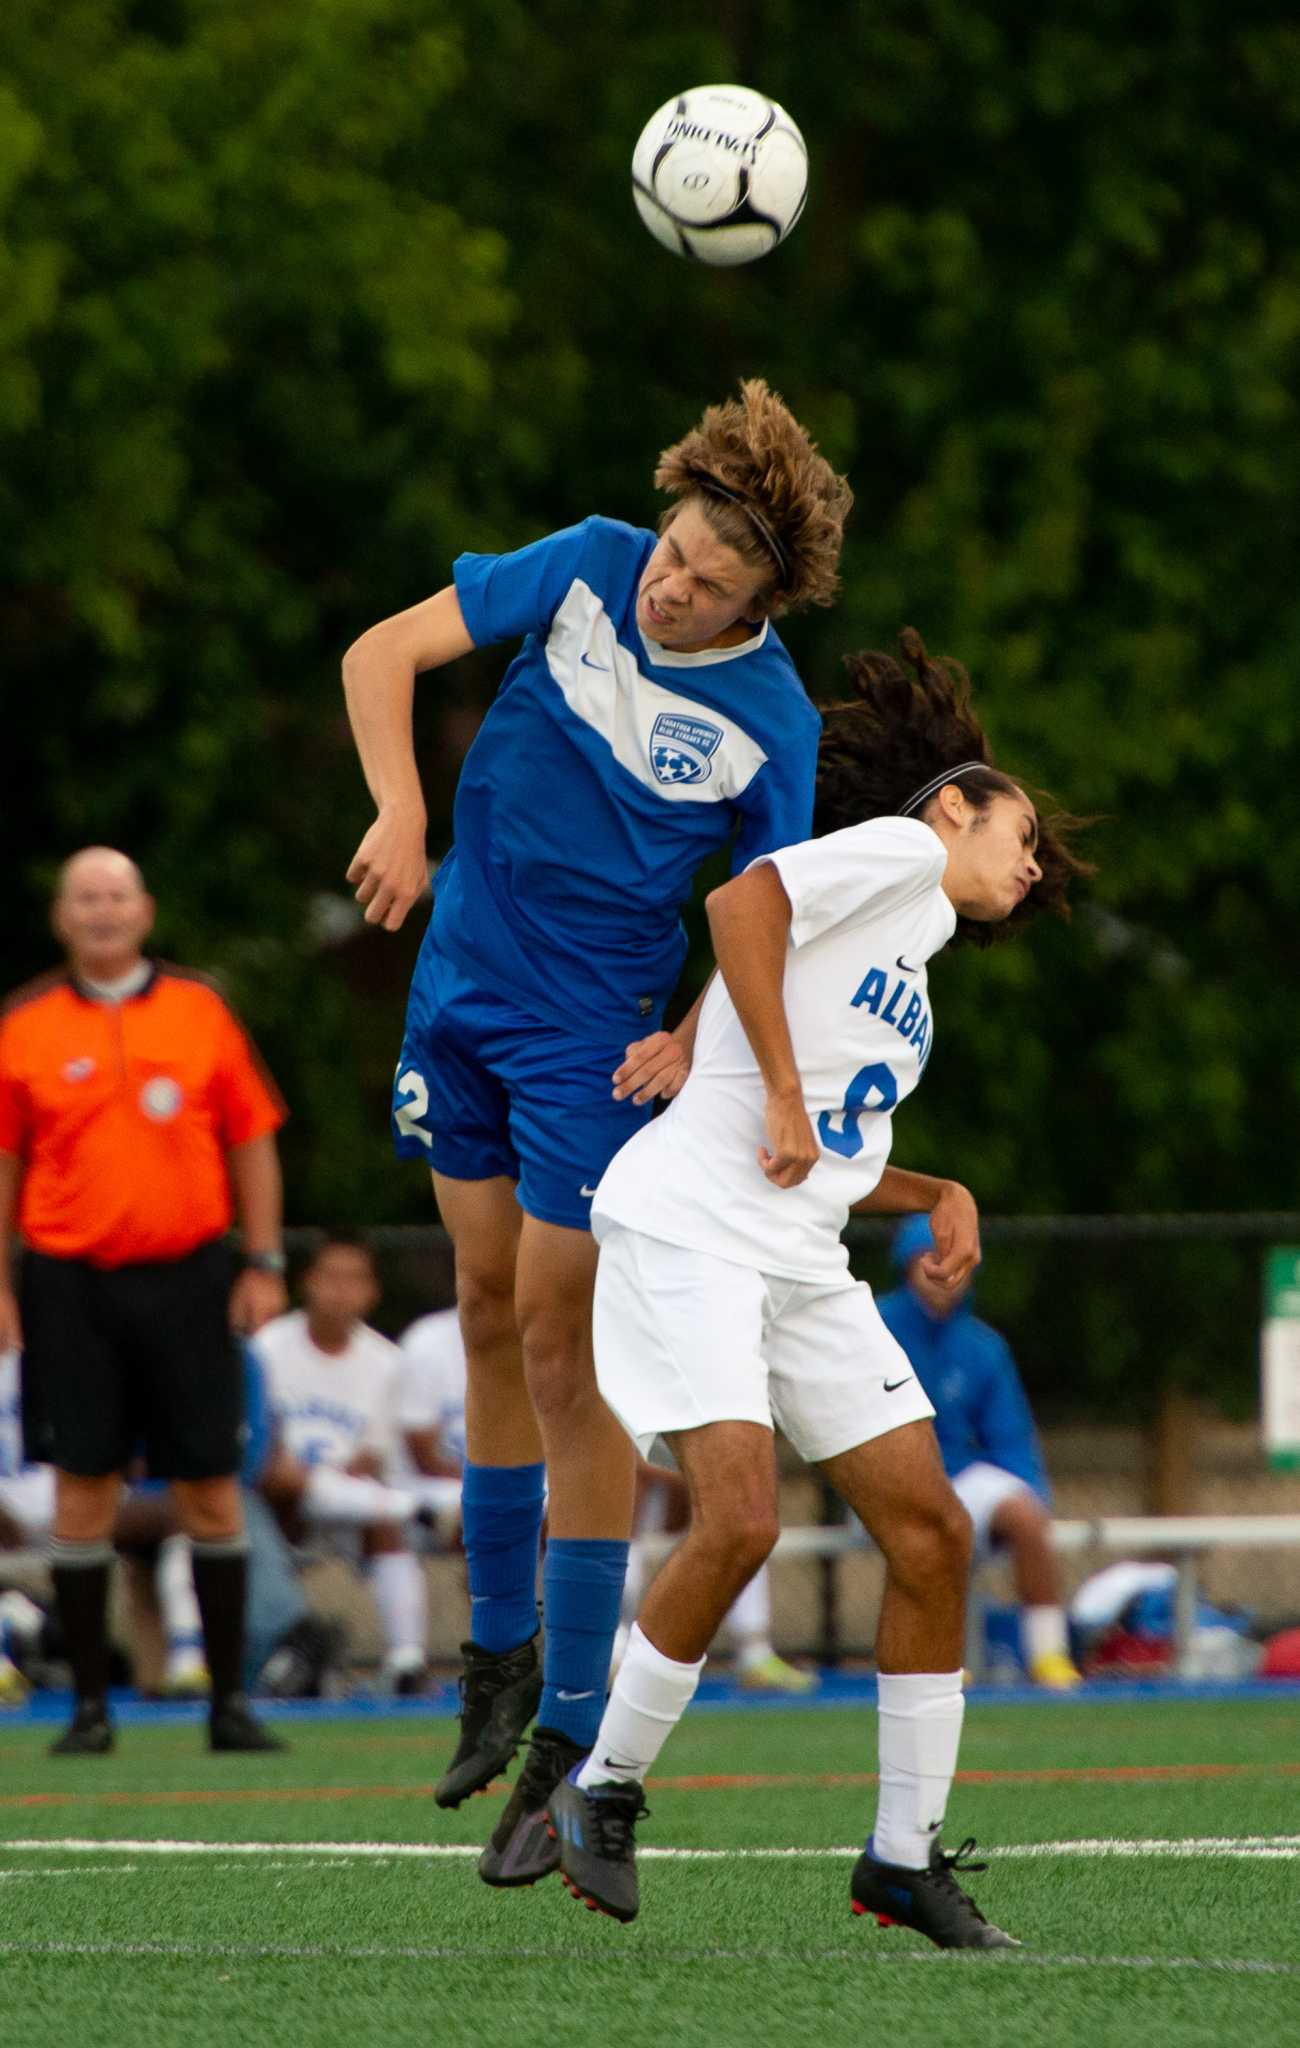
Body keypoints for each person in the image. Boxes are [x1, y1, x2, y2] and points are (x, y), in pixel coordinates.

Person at [341, 379, 853, 1867]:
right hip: (461, 994)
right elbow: (384, 653)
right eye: (675, 554)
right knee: (485, 1308)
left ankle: (567, 1724)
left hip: (588, 1051)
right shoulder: (582, 560)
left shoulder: (768, 724)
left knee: (564, 1348)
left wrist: (688, 1038)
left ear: (765, 603)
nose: (671, 587)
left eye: (708, 584)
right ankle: (495, 1664)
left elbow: (772, 916)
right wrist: (397, 814)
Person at [546, 631, 1090, 1947]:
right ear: (952, 804)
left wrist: (937, 1190)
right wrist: (769, 1081)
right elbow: (740, 907)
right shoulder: (903, 854)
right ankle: (599, 1790)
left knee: (933, 1534)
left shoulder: (908, 958)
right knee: (737, 1520)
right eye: (1020, 831)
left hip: (795, 1253)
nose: (1033, 860)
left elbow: (829, 1149)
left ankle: (901, 1861)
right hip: (693, 1230)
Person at [0, 847, 289, 1754]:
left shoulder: (201, 1010)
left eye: (116, 895)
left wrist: (263, 1259)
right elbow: (6, 1163)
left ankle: (229, 1706)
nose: (101, 911)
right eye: (83, 897)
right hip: (67, 1284)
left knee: (210, 1485)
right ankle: (89, 1709)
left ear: (145, 909)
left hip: (190, 1277)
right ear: (61, 917)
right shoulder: (25, 1024)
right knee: (81, 1490)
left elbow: (252, 1138)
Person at [878, 1217, 1081, 1689]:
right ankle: (936, 1660)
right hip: (883, 1480)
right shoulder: (872, 1328)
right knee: (935, 1524)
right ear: (907, 1268)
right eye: (930, 1261)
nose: (943, 1274)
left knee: (1025, 1516)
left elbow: (1010, 1439)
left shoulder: (984, 1348)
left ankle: (1048, 1656)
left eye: (955, 1263)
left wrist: (1031, 1494)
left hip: (959, 1478)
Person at [252, 1231, 427, 1691]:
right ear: (307, 1282)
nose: (341, 1290)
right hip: (279, 1500)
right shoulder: (268, 1347)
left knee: (385, 1521)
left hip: (350, 1502)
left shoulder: (387, 1361)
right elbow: (262, 1447)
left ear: (373, 1291)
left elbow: (372, 1455)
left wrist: (330, 1483)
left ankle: (407, 1661)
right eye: (331, 1276)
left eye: (355, 1279)